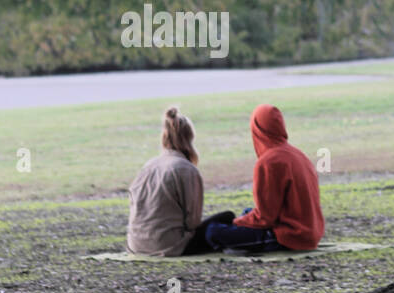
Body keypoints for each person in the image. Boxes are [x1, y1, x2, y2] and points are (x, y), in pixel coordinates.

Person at [205, 103, 325, 255]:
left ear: (257, 129)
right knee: (246, 213)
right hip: (311, 233)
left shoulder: (269, 161)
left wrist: (236, 223)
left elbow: (265, 218)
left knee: (212, 231)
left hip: (289, 237)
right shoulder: (298, 154)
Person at [126, 107, 206, 257]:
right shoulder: (186, 169)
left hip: (136, 245)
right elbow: (193, 222)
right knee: (226, 218)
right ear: (189, 138)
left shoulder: (148, 165)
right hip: (170, 246)